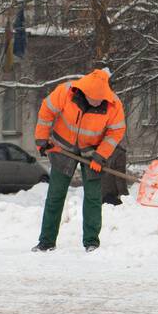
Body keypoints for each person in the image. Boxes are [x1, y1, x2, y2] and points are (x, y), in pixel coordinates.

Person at [31, 68, 126, 253]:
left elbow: (116, 132)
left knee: (92, 197)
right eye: (93, 99)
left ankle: (91, 242)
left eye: (100, 100)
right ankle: (46, 242)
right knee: (55, 195)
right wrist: (41, 139)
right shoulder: (65, 92)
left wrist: (101, 155)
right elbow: (46, 111)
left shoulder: (113, 105)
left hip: (93, 152)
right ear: (84, 91)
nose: (97, 102)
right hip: (62, 147)